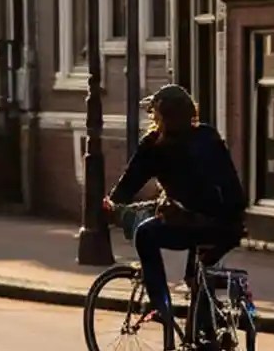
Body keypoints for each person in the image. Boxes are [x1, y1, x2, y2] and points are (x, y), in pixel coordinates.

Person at [103, 84, 246, 329]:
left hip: (192, 223)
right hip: (228, 226)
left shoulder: (155, 146)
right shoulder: (208, 136)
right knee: (197, 274)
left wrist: (110, 205)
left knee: (145, 234)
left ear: (159, 116)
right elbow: (231, 187)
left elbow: (129, 184)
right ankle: (209, 335)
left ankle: (161, 306)